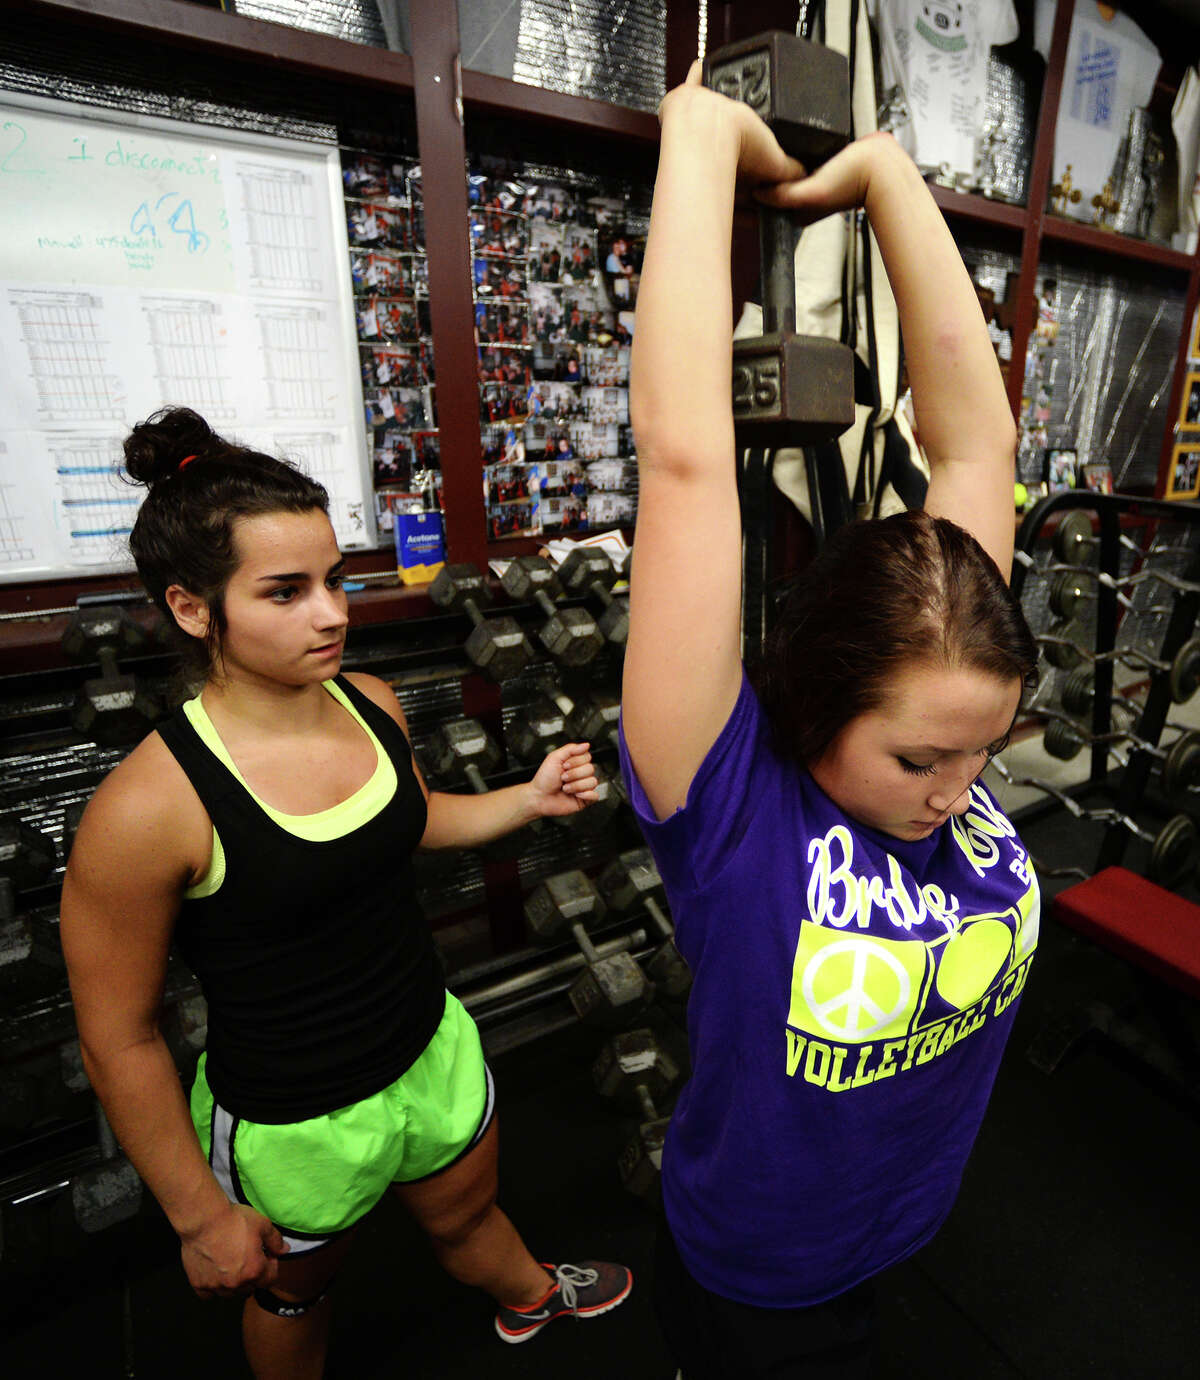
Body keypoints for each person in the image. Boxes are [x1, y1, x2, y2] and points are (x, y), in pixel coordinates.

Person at [59, 408, 632, 1380]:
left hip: (426, 1047)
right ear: (195, 609)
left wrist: (524, 801)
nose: (331, 613)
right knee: (298, 1291)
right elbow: (120, 1037)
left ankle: (528, 1296)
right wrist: (200, 1216)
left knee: (469, 1212)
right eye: (285, 592)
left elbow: (412, 819)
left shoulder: (370, 704)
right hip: (294, 1120)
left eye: (335, 581)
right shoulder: (149, 807)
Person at [620, 64, 1040, 1378]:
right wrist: (697, 141)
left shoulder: (943, 657)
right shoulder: (737, 803)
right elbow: (685, 463)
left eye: (986, 754)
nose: (960, 789)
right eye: (924, 758)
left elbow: (975, 453)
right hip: (761, 1275)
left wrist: (887, 181)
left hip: (905, 1220)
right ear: (817, 707)